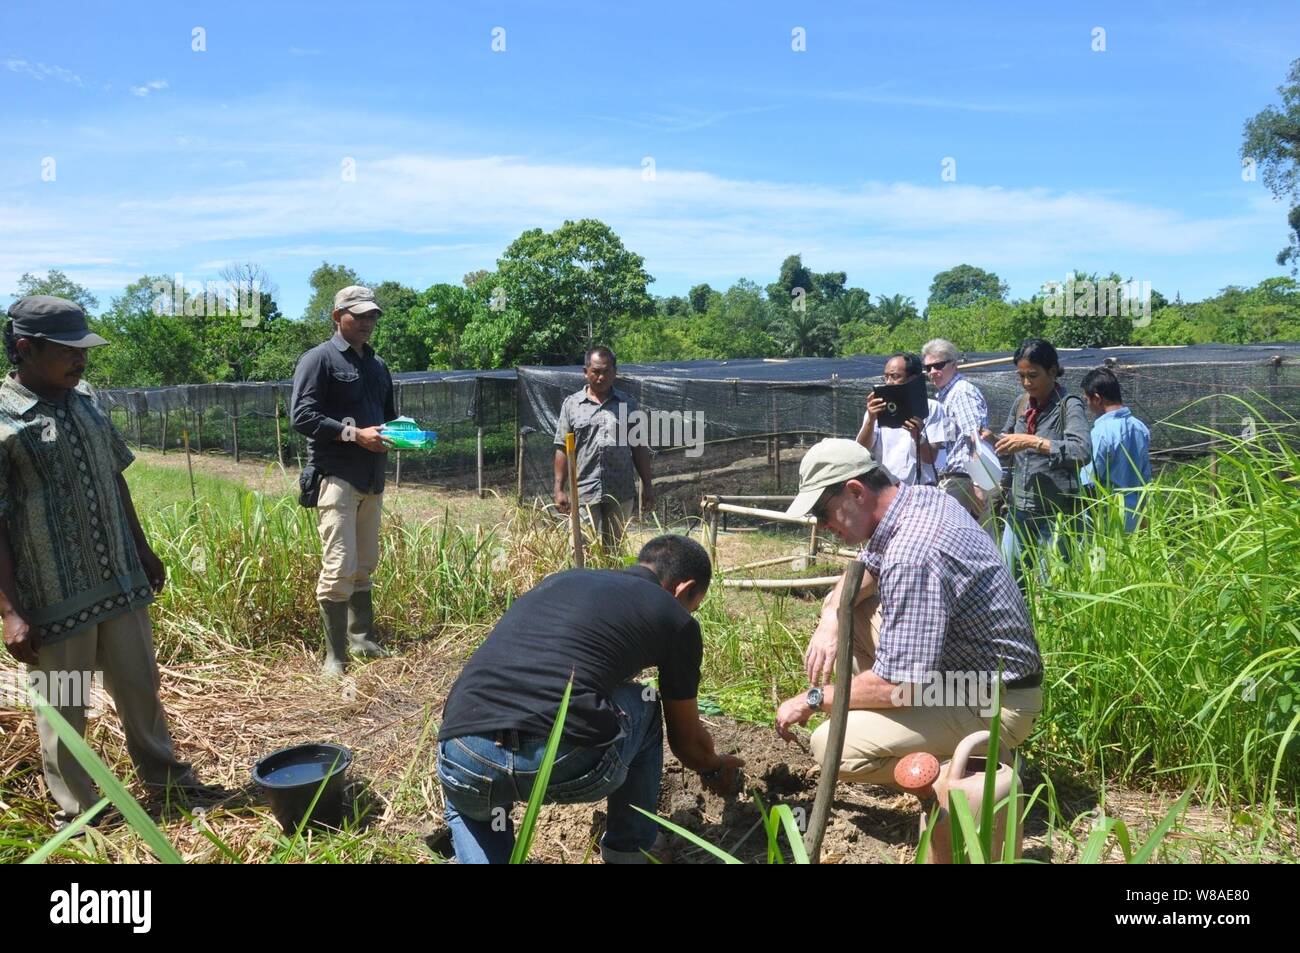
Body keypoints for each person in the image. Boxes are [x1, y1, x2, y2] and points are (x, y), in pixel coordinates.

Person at [1, 296, 223, 829]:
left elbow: (115, 478)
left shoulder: (87, 401)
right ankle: (81, 810)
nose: (81, 361)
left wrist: (142, 549)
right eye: (68, 351)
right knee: (66, 702)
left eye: (84, 350)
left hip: (119, 579)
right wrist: (10, 611)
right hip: (54, 596)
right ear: (27, 348)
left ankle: (167, 781)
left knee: (139, 686)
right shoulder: (5, 420)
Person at [437, 534, 744, 864]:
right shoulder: (674, 617)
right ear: (683, 589)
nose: (688, 612)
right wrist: (714, 767)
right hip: (560, 756)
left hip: (465, 751)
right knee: (646, 701)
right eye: (692, 605)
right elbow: (687, 745)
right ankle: (628, 852)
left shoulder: (562, 580)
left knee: (473, 810)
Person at [777, 439, 1043, 787]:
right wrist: (832, 616)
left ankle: (982, 764)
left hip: (992, 701)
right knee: (853, 611)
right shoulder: (919, 499)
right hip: (964, 675)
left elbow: (899, 685)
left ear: (855, 491)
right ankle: (919, 733)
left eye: (822, 513)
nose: (822, 526)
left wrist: (813, 699)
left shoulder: (913, 555)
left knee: (830, 746)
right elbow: (866, 567)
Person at [290, 285, 396, 675]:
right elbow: (302, 416)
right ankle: (335, 656)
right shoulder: (319, 359)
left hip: (372, 477)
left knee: (365, 563)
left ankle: (363, 638)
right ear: (337, 316)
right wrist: (355, 435)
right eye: (359, 315)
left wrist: (402, 436)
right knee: (338, 565)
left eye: (372, 316)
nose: (368, 322)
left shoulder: (378, 365)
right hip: (337, 476)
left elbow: (387, 418)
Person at [988, 339, 1092, 583]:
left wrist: (1032, 442)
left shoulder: (1068, 404)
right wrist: (992, 440)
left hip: (1055, 513)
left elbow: (1081, 450)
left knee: (1053, 586)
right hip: (1019, 510)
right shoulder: (1022, 402)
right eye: (1021, 376)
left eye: (1033, 375)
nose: (1026, 383)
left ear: (1053, 371)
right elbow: (1010, 438)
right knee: (1008, 582)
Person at [553, 346, 653, 550]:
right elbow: (563, 447)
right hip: (583, 490)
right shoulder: (572, 405)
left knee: (615, 550)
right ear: (585, 372)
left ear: (614, 372)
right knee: (582, 549)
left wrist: (648, 485)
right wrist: (559, 489)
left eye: (606, 371)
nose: (601, 377)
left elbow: (639, 447)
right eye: (596, 371)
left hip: (620, 490)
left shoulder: (628, 404)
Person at [921, 338, 996, 530]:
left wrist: (979, 484)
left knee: (979, 547)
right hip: (957, 479)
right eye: (928, 368)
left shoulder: (961, 392)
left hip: (968, 479)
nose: (932, 372)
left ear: (954, 365)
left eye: (938, 365)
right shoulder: (946, 395)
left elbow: (977, 438)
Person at [855, 352, 951, 486]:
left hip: (921, 490)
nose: (889, 382)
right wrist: (871, 420)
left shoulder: (932, 408)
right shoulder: (877, 409)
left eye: (895, 376)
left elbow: (931, 458)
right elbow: (860, 450)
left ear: (913, 379)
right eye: (886, 377)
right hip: (888, 491)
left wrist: (919, 437)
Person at [1079, 367, 1151, 532]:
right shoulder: (1140, 427)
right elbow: (1145, 476)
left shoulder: (1100, 433)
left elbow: (1088, 483)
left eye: (1087, 400)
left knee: (1103, 558)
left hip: (1107, 519)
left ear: (1097, 398)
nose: (1088, 405)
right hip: (1136, 515)